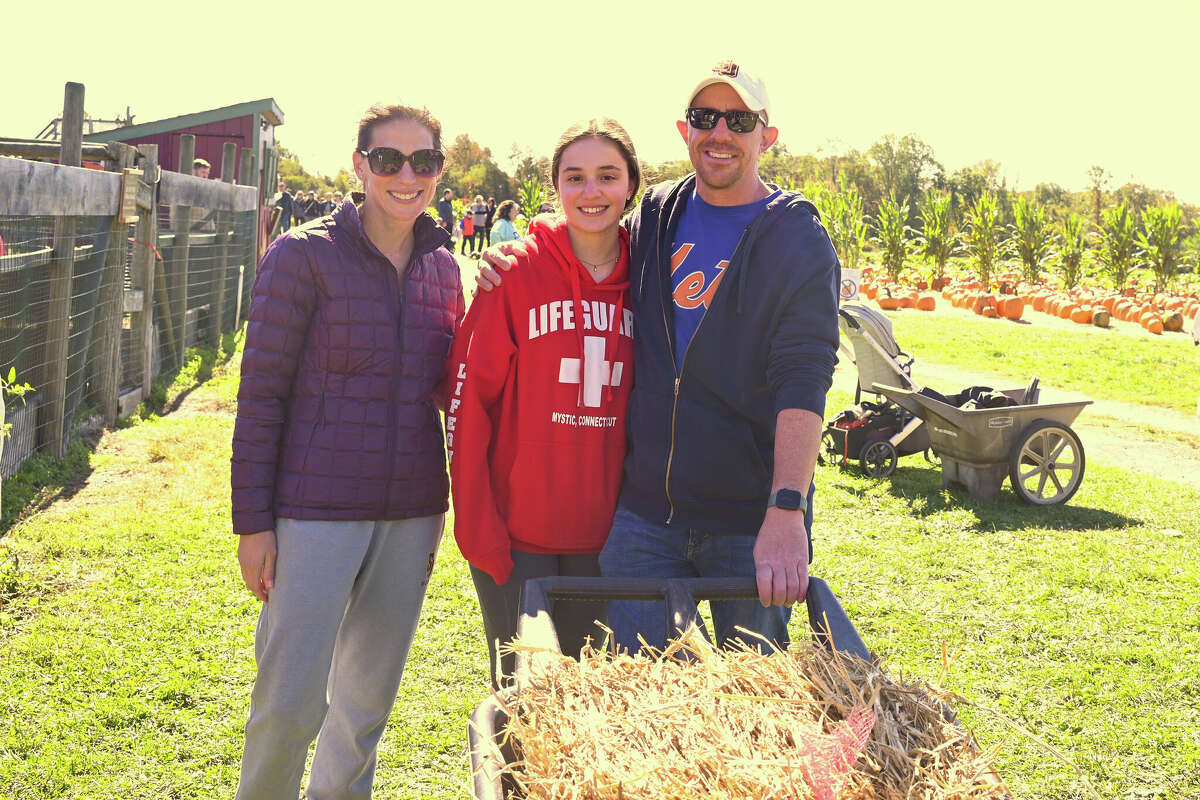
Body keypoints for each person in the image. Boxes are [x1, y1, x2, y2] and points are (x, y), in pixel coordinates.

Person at [478, 60, 840, 655]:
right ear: (684, 129)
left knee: (752, 702)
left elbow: (804, 381)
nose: (720, 132)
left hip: (745, 520)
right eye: (706, 117)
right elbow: (588, 224)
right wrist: (524, 248)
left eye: (739, 119)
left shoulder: (795, 240)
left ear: (766, 136)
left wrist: (786, 512)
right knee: (636, 700)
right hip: (645, 517)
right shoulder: (657, 215)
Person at [231, 102, 463, 800]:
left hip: (411, 515)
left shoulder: (444, 268)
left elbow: (449, 392)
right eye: (387, 160)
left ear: (439, 172)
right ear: (359, 165)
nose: (405, 175)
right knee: (289, 707)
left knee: (363, 713)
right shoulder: (302, 255)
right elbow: (261, 396)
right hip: (315, 514)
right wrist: (254, 523)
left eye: (422, 161)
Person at [446, 118, 639, 688]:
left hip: (611, 541)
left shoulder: (654, 275)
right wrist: (479, 525)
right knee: (522, 701)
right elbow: (466, 401)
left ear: (631, 183)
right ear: (555, 186)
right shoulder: (515, 273)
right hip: (518, 539)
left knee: (593, 703)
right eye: (574, 177)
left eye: (608, 175)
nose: (591, 192)